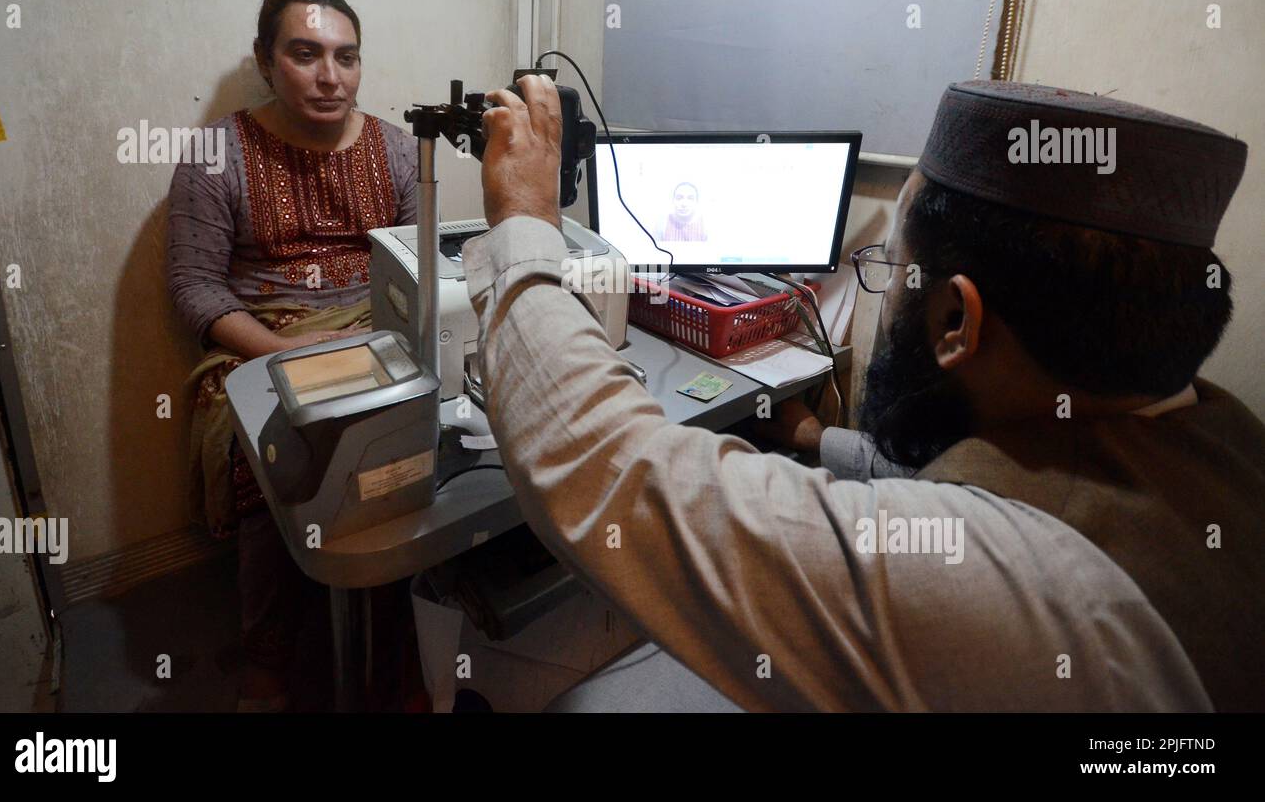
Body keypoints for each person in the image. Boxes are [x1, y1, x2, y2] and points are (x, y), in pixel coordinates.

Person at [461, 75, 1265, 711]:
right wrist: (813, 440)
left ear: (956, 320)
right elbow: (967, 473)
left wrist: (523, 223)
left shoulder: (997, 584)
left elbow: (609, 471)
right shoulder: (1221, 443)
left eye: (890, 273)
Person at [167, 0, 417, 710]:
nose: (329, 76)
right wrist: (291, 363)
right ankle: (268, 664)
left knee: (407, 442)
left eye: (346, 56)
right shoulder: (218, 153)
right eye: (305, 54)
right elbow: (194, 290)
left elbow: (419, 270)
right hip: (259, 348)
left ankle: (399, 653)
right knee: (277, 450)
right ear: (266, 60)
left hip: (374, 339)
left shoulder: (398, 151)